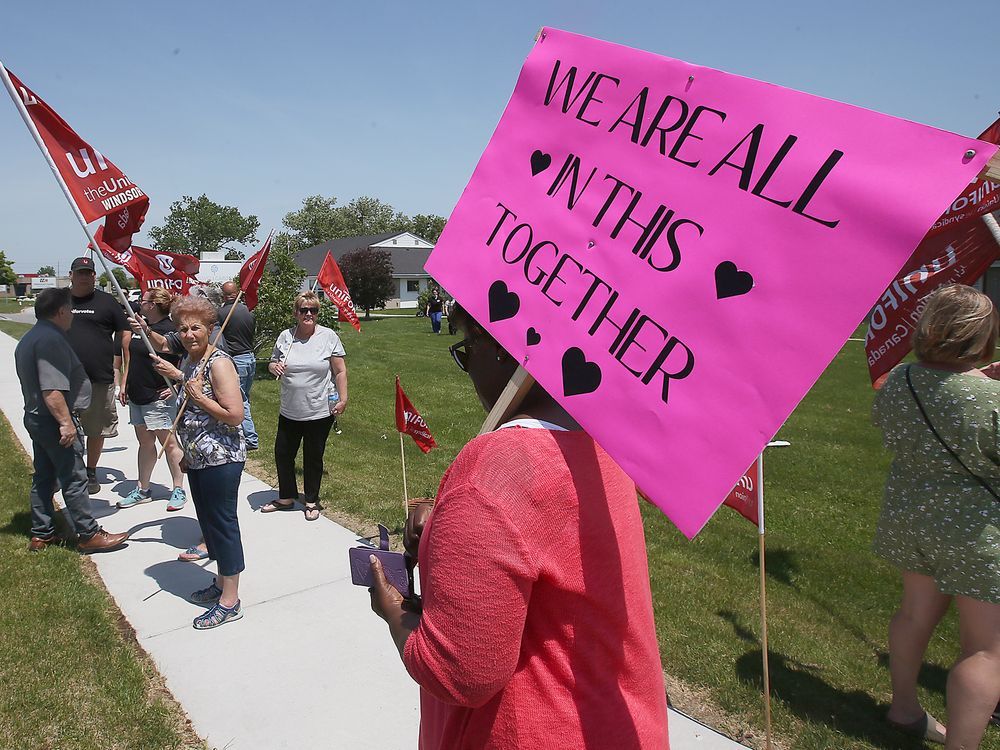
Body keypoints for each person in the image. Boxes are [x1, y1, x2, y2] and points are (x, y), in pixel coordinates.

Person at [368, 303, 669, 749]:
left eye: (467, 348)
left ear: (503, 347)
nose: (467, 370)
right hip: (618, 724)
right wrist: (446, 526)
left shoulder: (496, 470)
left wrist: (394, 611)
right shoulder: (603, 440)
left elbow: (459, 672)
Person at [872, 284, 1000, 749]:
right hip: (975, 531)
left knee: (913, 615)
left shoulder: (899, 380)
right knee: (985, 649)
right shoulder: (991, 399)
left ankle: (904, 707)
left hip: (910, 518)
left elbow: (890, 423)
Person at [152, 295, 247, 629]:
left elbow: (234, 415)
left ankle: (230, 601)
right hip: (198, 458)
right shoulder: (191, 360)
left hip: (221, 457)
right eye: (183, 329)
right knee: (208, 523)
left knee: (222, 524)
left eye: (196, 327)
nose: (189, 334)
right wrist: (188, 455)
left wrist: (197, 395)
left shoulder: (218, 363)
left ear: (210, 328)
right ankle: (221, 583)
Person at [15, 288, 129, 553]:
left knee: (44, 476)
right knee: (74, 477)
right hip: (54, 421)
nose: (73, 316)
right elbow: (52, 389)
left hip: (36, 417)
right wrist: (66, 423)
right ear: (61, 311)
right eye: (70, 310)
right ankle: (88, 534)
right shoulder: (51, 340)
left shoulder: (31, 337)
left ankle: (41, 533)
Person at [261, 291, 348, 522]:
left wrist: (343, 398)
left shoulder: (328, 337)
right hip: (289, 409)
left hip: (318, 410)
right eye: (304, 310)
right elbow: (273, 362)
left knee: (313, 457)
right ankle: (286, 497)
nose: (308, 314)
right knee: (283, 454)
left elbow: (340, 371)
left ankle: (311, 501)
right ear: (295, 313)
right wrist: (273, 367)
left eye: (313, 310)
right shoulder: (286, 337)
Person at [65, 256, 131, 494]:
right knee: (62, 427)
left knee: (96, 429)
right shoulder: (59, 300)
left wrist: (120, 365)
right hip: (62, 379)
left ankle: (91, 471)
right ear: (71, 275)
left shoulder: (107, 302)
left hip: (98, 377)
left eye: (88, 273)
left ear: (94, 276)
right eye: (79, 272)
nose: (84, 276)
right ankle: (64, 469)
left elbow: (124, 332)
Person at [117, 288, 186, 511]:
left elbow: (184, 359)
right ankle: (143, 489)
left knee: (169, 443)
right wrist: (125, 383)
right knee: (145, 443)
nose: (139, 302)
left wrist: (177, 385)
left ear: (152, 305)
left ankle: (178, 489)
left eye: (143, 300)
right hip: (138, 394)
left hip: (158, 396)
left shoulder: (169, 330)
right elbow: (131, 357)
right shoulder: (141, 326)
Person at [219, 281, 258, 451]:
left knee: (240, 401)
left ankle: (250, 438)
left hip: (236, 360)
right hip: (250, 358)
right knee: (245, 397)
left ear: (223, 295)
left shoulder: (221, 313)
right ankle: (243, 432)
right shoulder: (248, 311)